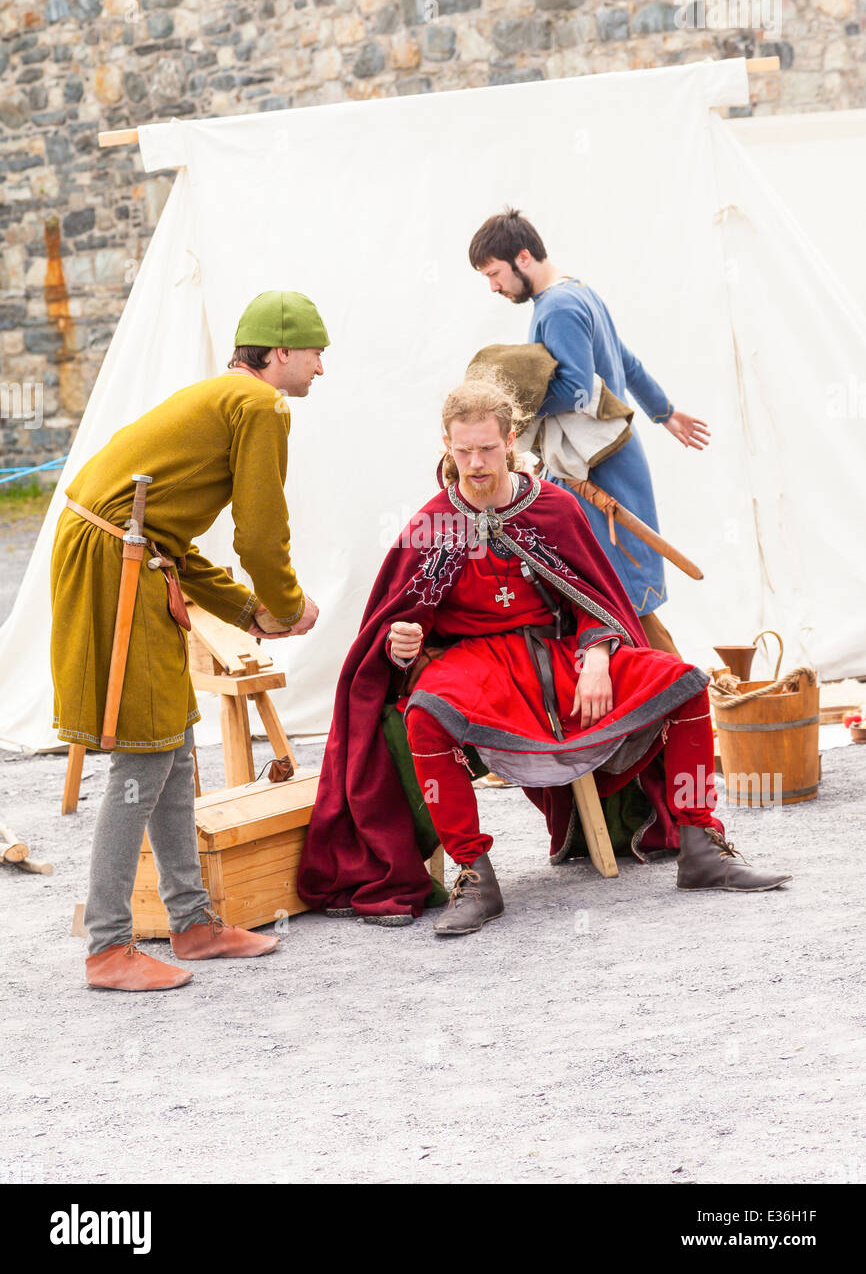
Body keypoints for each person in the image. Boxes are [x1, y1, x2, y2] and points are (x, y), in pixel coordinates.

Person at [298, 378, 790, 933]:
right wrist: (401, 645)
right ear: (446, 443)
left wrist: (599, 656)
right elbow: (401, 621)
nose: (476, 463)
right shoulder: (432, 525)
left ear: (510, 439)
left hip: (563, 655)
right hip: (477, 666)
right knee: (425, 717)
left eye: (487, 448)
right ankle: (475, 875)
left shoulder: (554, 507)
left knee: (685, 684)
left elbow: (598, 598)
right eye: (463, 451)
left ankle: (701, 845)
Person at [50, 289, 326, 990]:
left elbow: (167, 537)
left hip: (133, 556)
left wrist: (245, 610)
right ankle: (108, 947)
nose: (322, 368)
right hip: (114, 564)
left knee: (171, 744)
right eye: (317, 353)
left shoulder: (223, 397)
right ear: (283, 353)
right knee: (143, 757)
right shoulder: (261, 405)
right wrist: (287, 606)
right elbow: (261, 531)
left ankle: (193, 924)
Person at [468, 207, 710, 656]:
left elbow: (577, 390)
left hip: (595, 467)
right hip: (606, 459)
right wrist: (665, 412)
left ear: (523, 257)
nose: (494, 287)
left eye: (495, 273)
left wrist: (508, 411)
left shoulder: (557, 307)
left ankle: (673, 696)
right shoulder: (578, 292)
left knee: (612, 592)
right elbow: (625, 359)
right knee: (610, 591)